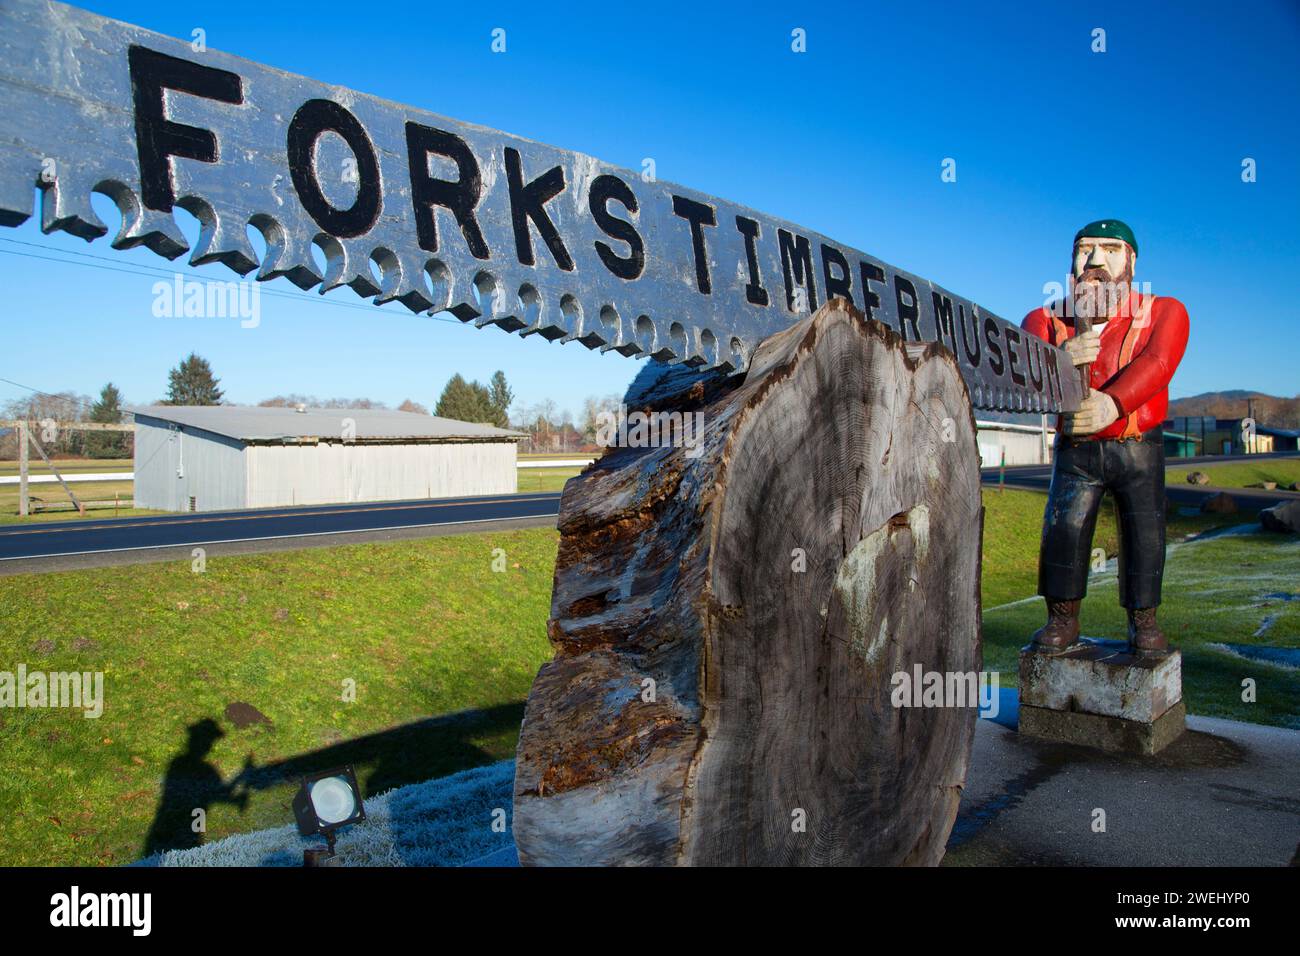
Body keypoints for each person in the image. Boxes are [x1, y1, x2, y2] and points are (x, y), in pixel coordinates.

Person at [1021, 220, 1189, 655]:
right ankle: (1062, 617)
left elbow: (1158, 363)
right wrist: (1058, 362)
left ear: (1131, 261)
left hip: (1138, 446)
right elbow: (1026, 374)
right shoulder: (1044, 319)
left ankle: (1143, 618)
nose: (1095, 261)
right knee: (1065, 529)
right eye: (1085, 250)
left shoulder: (1163, 312)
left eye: (1109, 250)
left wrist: (1112, 404)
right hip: (1077, 450)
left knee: (1145, 532)